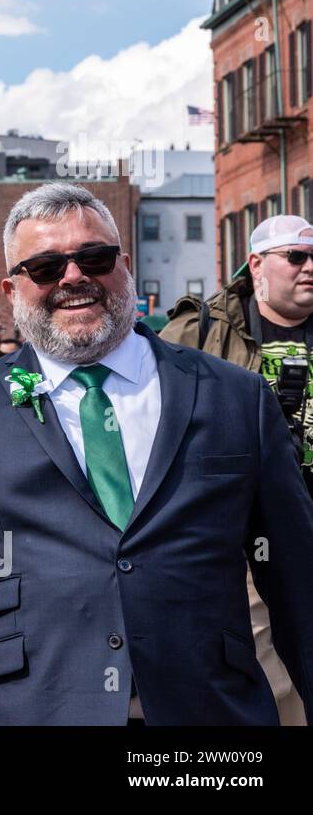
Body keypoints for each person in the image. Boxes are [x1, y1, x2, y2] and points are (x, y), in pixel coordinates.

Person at [0, 183, 313, 725]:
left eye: (94, 257)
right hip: (33, 710)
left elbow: (297, 575)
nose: (73, 277)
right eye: (44, 267)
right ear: (12, 287)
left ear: (124, 265)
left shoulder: (235, 398)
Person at [161, 213, 313, 725]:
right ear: (257, 264)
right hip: (246, 535)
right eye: (296, 257)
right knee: (271, 667)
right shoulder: (200, 330)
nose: (308, 268)